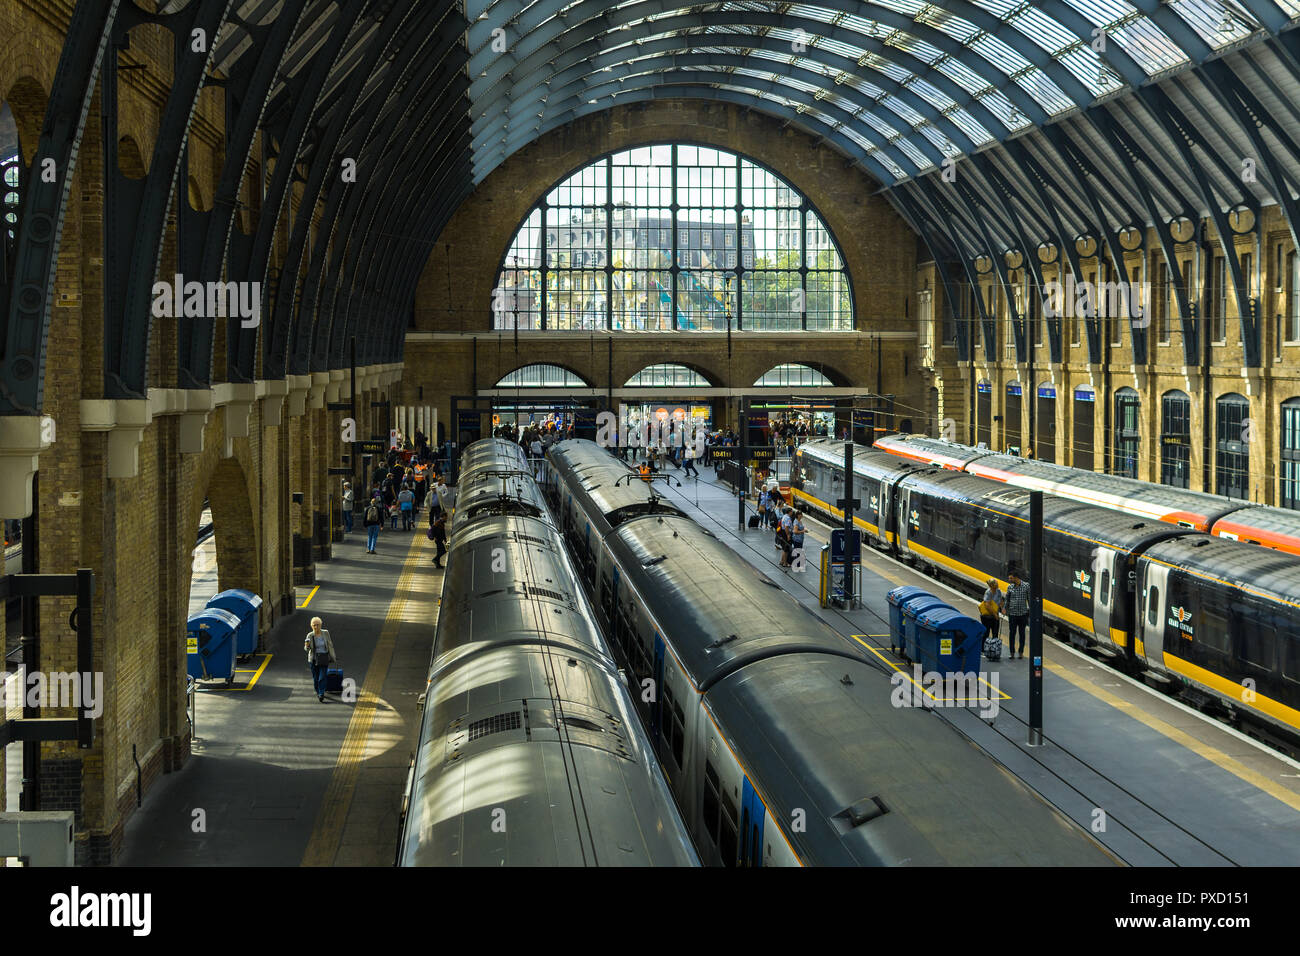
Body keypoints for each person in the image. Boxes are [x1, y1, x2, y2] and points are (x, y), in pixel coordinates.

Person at [303, 616, 337, 702]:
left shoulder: (325, 633)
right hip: (313, 659)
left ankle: (321, 693)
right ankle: (318, 691)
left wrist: (332, 656)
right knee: (316, 677)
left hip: (324, 658)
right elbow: (307, 650)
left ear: (321, 625)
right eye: (314, 625)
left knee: (322, 676)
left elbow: (330, 644)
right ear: (311, 626)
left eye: (317, 625)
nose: (316, 627)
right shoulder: (310, 635)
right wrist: (306, 646)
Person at [1005, 571, 1031, 659]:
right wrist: (1005, 608)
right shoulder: (1010, 587)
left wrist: (1031, 611)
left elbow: (1029, 599)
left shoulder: (1026, 586)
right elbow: (1007, 599)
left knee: (1022, 634)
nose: (1009, 580)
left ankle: (1021, 652)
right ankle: (1012, 652)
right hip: (1012, 614)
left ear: (1016, 578)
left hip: (1022, 614)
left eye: (1011, 578)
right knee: (1012, 633)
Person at [979, 578, 1004, 658]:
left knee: (995, 632)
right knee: (986, 633)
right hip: (987, 616)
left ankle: (994, 649)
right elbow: (987, 605)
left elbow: (1000, 601)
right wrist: (995, 614)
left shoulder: (998, 591)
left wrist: (1003, 608)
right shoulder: (988, 592)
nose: (997, 584)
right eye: (996, 583)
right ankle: (982, 650)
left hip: (994, 615)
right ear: (991, 585)